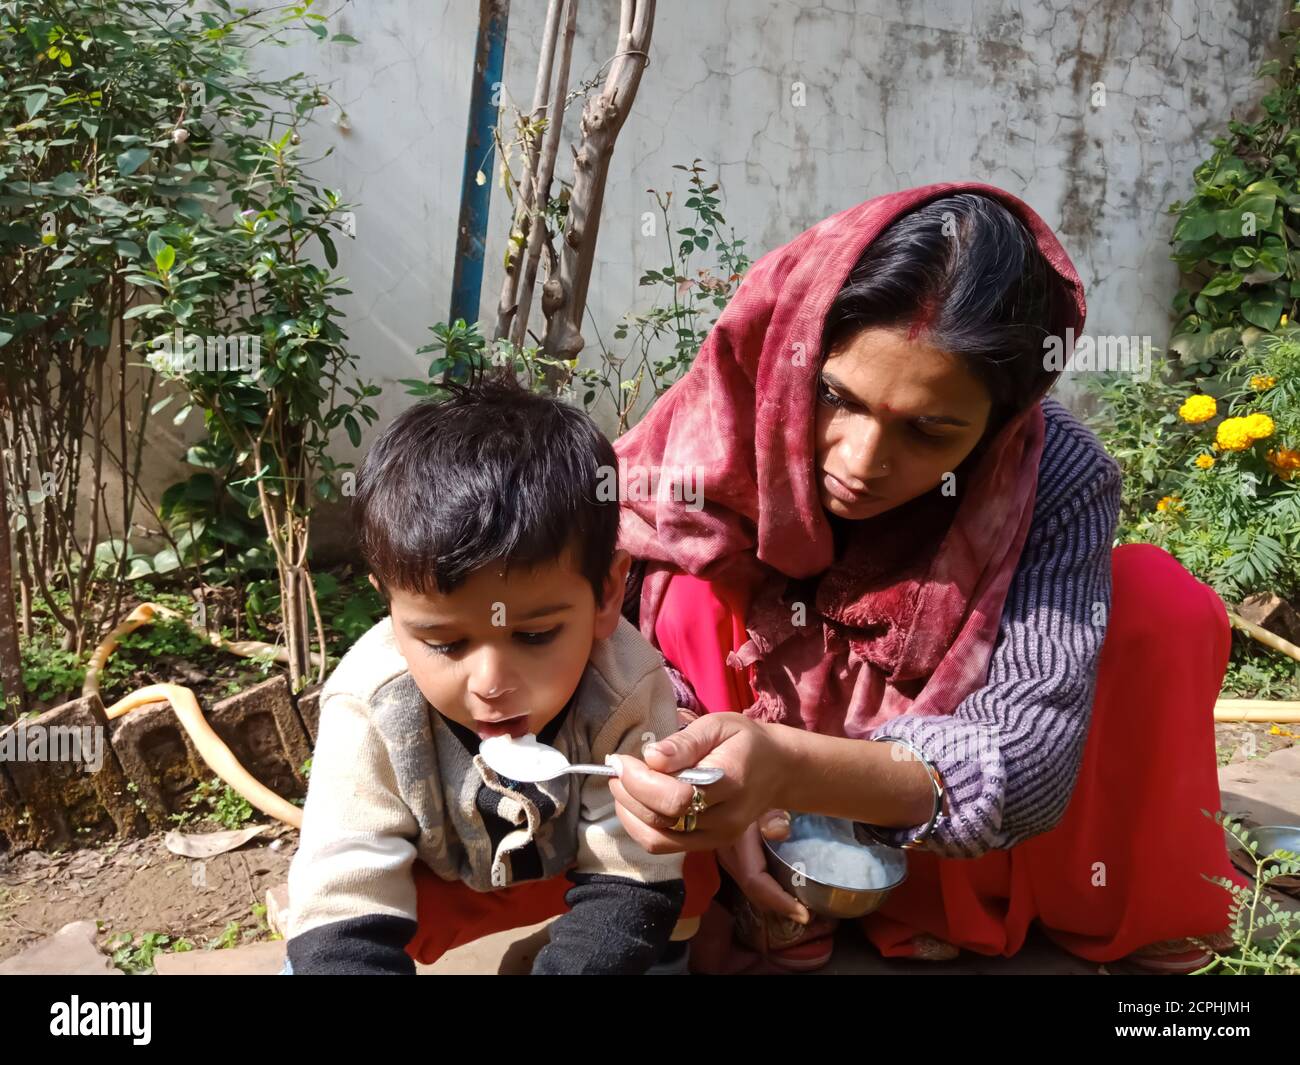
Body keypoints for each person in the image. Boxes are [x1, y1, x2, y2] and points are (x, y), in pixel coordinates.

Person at [605, 183, 1246, 974]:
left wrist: (791, 764)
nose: (861, 462)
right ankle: (743, 883)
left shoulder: (1052, 476)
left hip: (930, 826)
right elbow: (599, 637)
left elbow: (1033, 753)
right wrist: (689, 764)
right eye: (836, 398)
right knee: (689, 584)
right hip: (739, 808)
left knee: (1159, 600)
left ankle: (949, 899)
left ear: (1002, 419)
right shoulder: (724, 418)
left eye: (929, 431)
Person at [280, 373, 718, 974]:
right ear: (391, 607)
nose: (490, 683)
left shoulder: (626, 687)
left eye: (534, 636)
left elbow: (632, 873)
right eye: (444, 642)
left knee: (686, 852)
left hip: (575, 865)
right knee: (322, 943)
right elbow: (345, 891)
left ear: (607, 594)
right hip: (440, 877)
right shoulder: (369, 703)